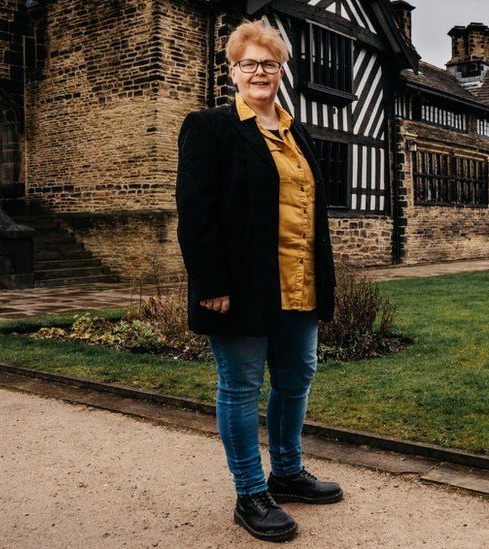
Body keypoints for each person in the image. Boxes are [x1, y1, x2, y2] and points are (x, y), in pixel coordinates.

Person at [175, 20, 340, 543]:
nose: (260, 72)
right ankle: (250, 492)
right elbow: (195, 215)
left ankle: (286, 472)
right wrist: (210, 283)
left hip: (299, 283)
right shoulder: (210, 127)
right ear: (233, 71)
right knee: (241, 386)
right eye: (249, 63)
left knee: (296, 379)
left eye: (269, 63)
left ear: (282, 70)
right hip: (240, 287)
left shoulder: (297, 132)